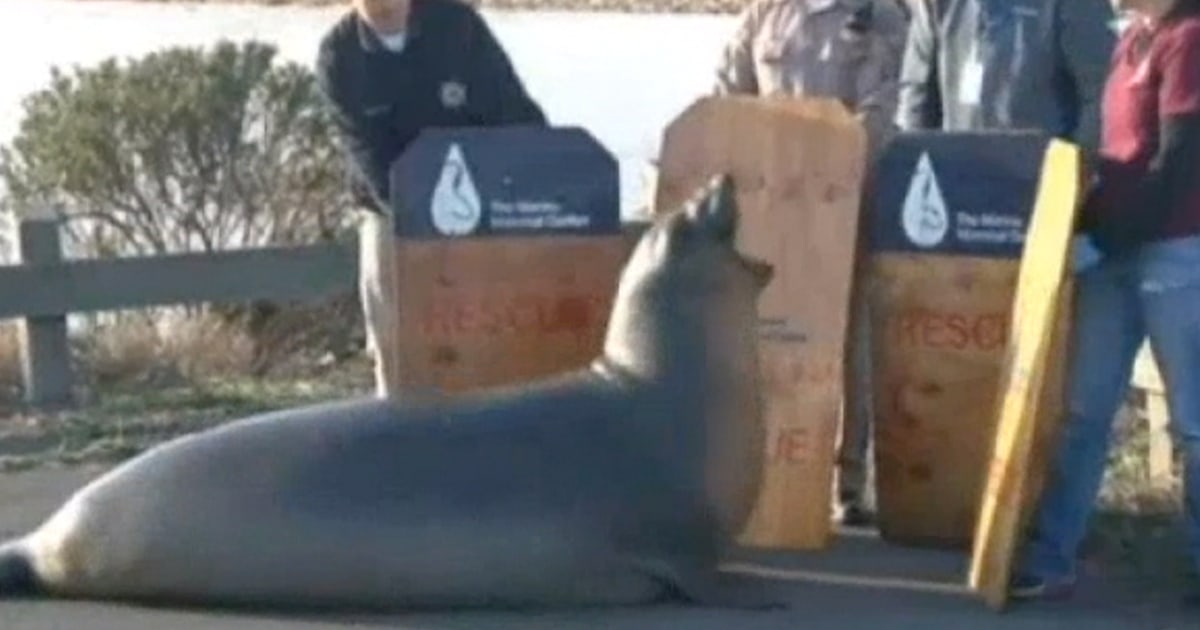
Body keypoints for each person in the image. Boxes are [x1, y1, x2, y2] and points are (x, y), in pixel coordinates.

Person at [1010, 0, 1200, 605]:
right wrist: (1073, 226)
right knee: (1084, 412)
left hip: (1175, 253)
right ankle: (1051, 558)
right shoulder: (1132, 41)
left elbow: (1175, 162)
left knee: (1194, 421)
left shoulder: (1188, 39)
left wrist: (1102, 237)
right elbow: (1113, 158)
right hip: (1113, 256)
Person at [713, 0, 911, 526]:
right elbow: (728, 94)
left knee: (846, 343)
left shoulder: (883, 16)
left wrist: (820, 160)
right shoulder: (764, 14)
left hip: (843, 209)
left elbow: (884, 108)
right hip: (768, 208)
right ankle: (767, 475)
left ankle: (845, 484)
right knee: (766, 337)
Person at [315, 0, 547, 398]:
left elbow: (516, 113)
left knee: (487, 337)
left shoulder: (458, 26)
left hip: (480, 206)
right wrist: (425, 223)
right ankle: (399, 435)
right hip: (391, 214)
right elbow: (371, 160)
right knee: (396, 346)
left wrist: (534, 183)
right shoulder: (340, 55)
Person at [896, 0, 1044, 132]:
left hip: (1038, 156)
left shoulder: (1055, 7)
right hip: (960, 155)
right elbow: (915, 105)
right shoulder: (936, 6)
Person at [1009, 0, 1118, 157]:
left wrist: (1082, 166)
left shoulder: (1079, 6)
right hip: (982, 158)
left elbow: (1097, 92)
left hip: (1048, 160)